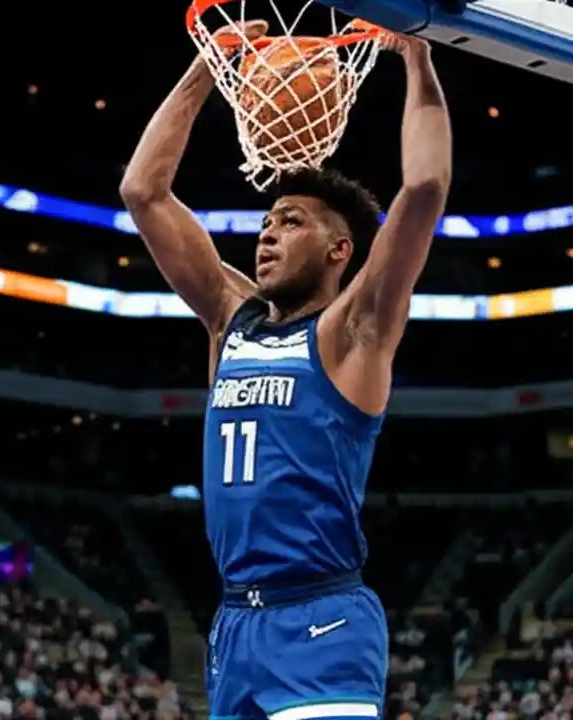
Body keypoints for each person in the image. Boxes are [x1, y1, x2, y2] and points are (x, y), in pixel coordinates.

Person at [119, 20, 451, 720]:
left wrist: (418, 60)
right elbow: (143, 193)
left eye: (291, 222)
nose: (267, 233)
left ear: (339, 250)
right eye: (268, 221)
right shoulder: (228, 318)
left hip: (321, 620)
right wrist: (213, 63)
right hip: (235, 624)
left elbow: (423, 187)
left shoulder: (353, 331)